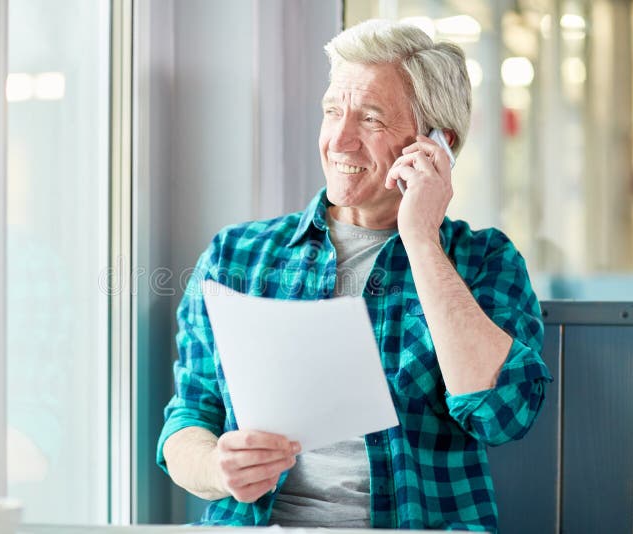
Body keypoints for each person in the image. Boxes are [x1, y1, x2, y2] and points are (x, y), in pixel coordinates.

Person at [157, 19, 552, 531]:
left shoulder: (485, 261)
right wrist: (219, 467)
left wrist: (421, 239)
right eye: (331, 112)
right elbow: (188, 418)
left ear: (437, 143)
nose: (339, 140)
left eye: (370, 119)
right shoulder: (237, 255)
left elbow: (503, 412)